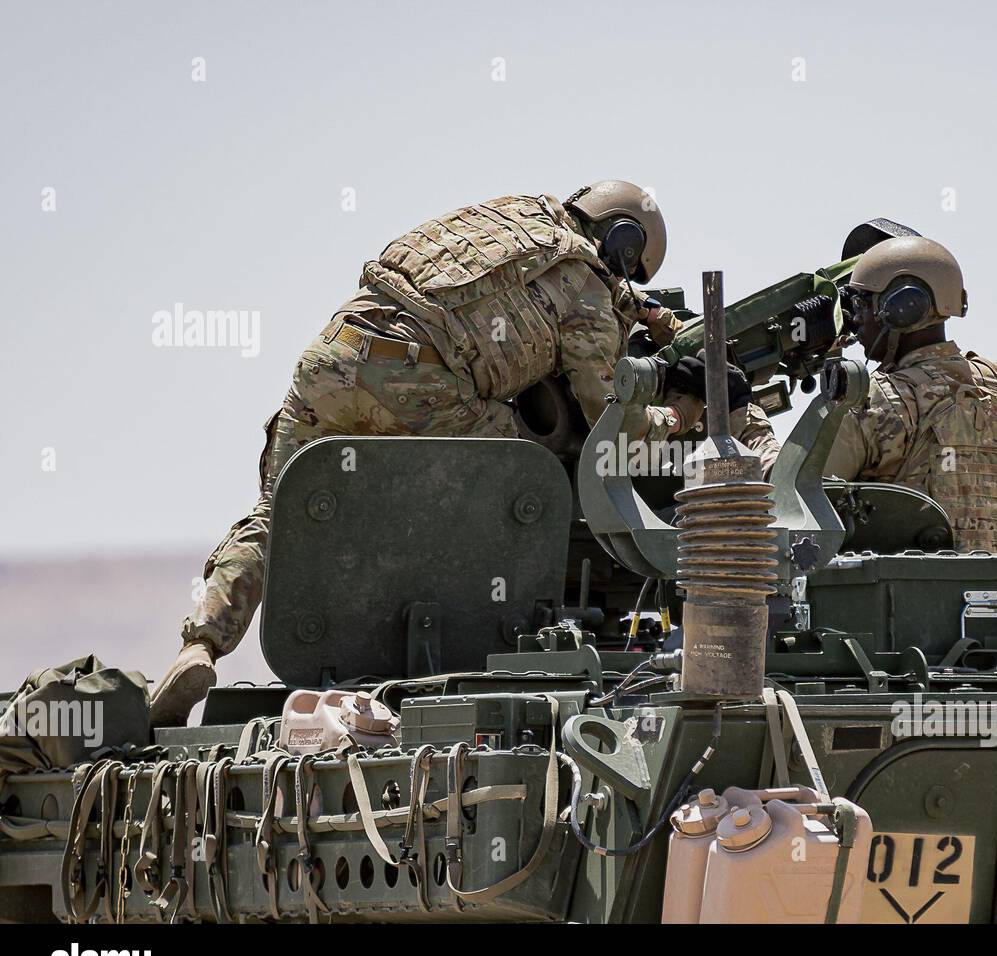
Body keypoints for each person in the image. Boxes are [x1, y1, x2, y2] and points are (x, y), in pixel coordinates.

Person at [153, 181, 771, 725]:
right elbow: (611, 426)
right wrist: (683, 411)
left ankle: (202, 643)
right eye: (632, 273)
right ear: (624, 244)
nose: (626, 286)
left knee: (274, 515)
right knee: (532, 468)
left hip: (333, 358)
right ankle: (497, 634)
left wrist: (649, 315)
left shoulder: (516, 218)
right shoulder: (588, 292)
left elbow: (516, 281)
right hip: (420, 375)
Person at [824, 235, 997, 551]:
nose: (855, 320)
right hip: (994, 593)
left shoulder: (875, 401)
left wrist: (747, 416)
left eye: (862, 303)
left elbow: (796, 492)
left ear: (900, 308)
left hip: (904, 597)